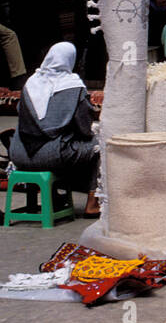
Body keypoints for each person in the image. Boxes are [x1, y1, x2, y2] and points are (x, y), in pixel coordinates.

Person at [9, 42, 100, 216]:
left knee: (59, 144)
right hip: (53, 156)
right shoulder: (74, 85)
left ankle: (54, 196)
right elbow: (84, 128)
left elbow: (22, 114)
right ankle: (92, 203)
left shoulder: (31, 83)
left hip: (19, 154)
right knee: (98, 147)